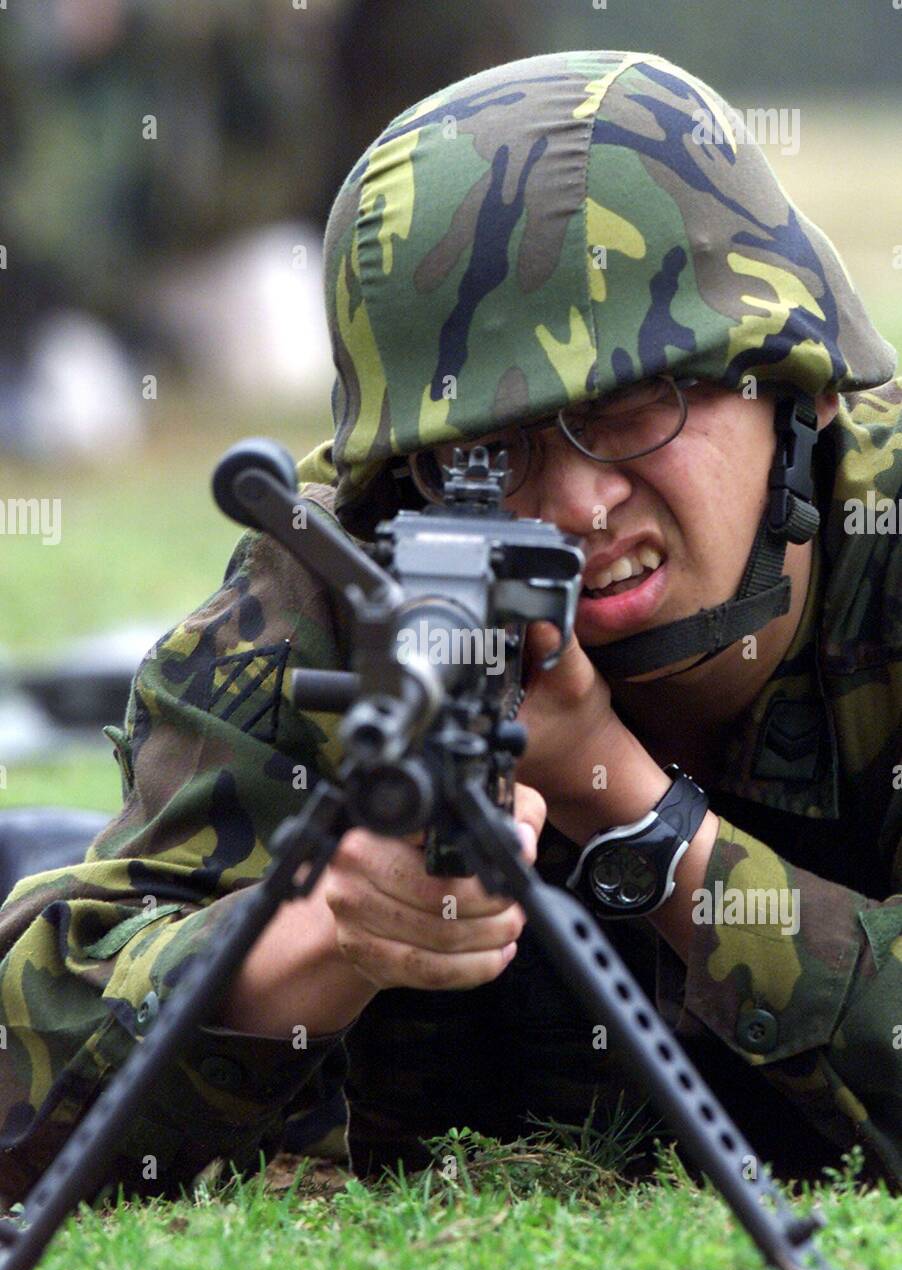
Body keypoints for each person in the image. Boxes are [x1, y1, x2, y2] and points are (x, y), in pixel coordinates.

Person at [1, 50, 900, 1208]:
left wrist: (628, 808)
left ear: (794, 386)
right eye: (491, 455)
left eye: (632, 407)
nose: (575, 504)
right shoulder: (345, 575)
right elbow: (31, 1064)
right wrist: (319, 935)